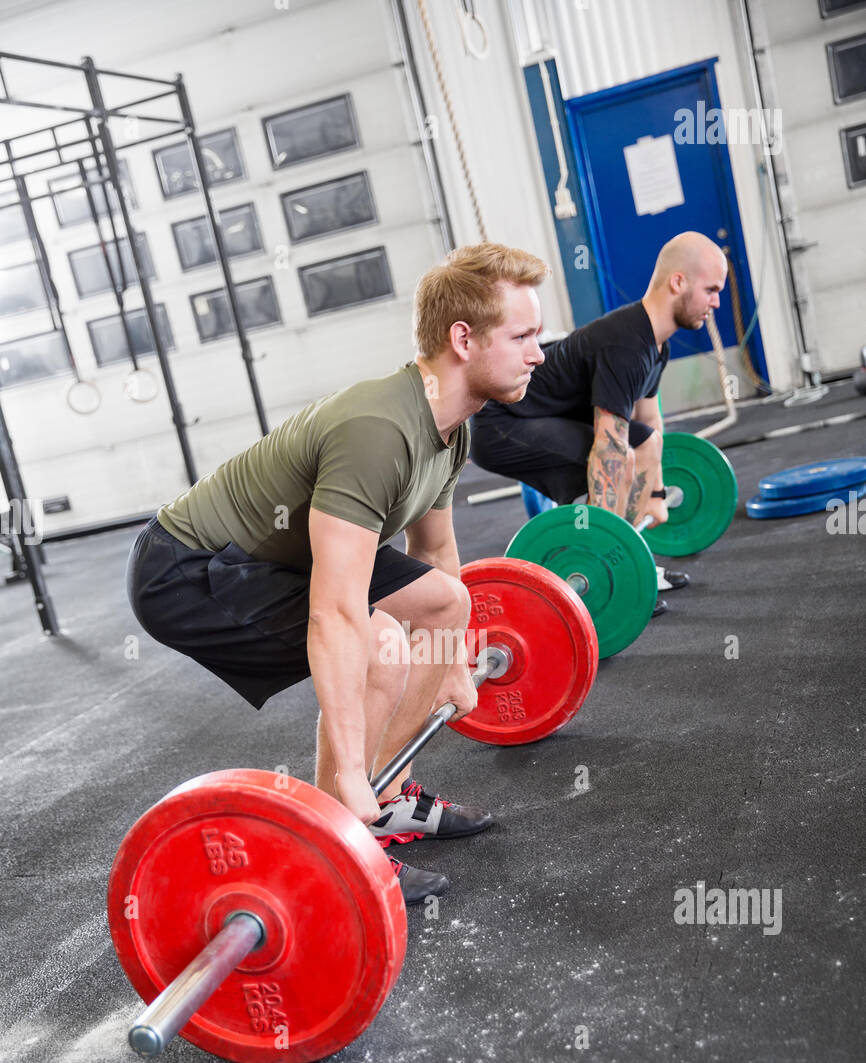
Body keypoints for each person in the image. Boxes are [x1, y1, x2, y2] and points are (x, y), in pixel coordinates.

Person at [126, 242, 550, 903]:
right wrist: (347, 768)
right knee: (378, 645)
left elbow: (435, 556)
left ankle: (380, 797)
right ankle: (335, 838)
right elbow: (336, 614)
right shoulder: (380, 429)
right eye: (523, 336)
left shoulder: (452, 426)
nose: (538, 353)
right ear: (462, 339)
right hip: (187, 570)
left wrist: (455, 666)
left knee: (443, 604)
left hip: (280, 550)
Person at [469, 231, 729, 609]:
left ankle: (632, 568)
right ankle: (597, 581)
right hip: (502, 426)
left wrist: (655, 494)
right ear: (678, 282)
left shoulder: (656, 345)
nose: (716, 302)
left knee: (640, 445)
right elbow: (610, 452)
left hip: (544, 417)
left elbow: (649, 428)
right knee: (612, 464)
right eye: (711, 290)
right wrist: (610, 548)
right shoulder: (627, 344)